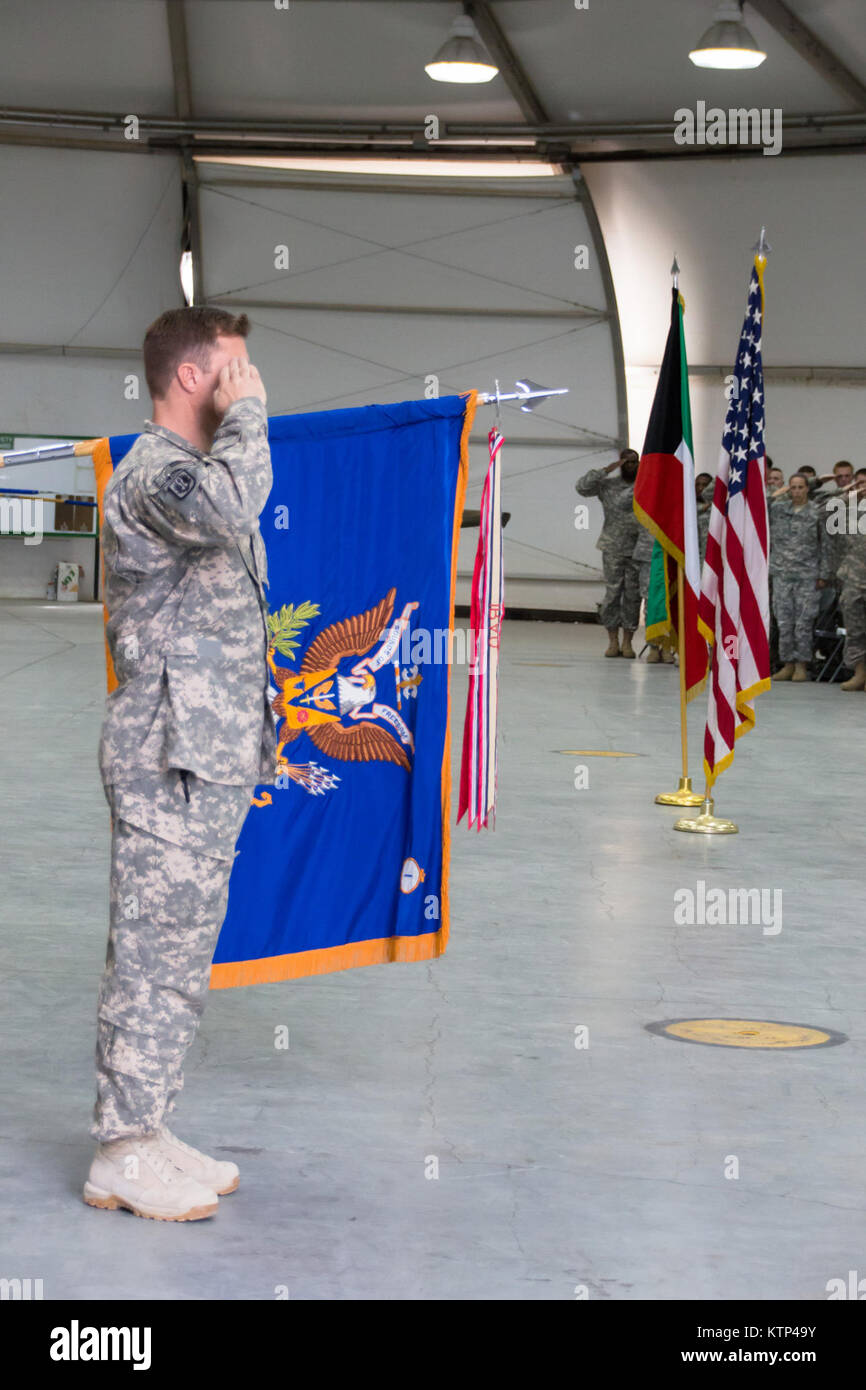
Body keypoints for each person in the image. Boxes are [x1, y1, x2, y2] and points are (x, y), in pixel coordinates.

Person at [84, 307, 276, 1222]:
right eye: (236, 370)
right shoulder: (157, 474)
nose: (250, 384)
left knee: (182, 954)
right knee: (153, 956)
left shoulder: (191, 475)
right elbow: (235, 506)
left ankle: (149, 1126)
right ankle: (120, 1148)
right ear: (194, 378)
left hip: (202, 756)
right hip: (166, 755)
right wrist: (251, 417)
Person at [576, 448, 640, 657]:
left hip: (639, 547)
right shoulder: (609, 485)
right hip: (613, 546)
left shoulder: (645, 485)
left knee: (633, 595)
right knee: (613, 594)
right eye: (627, 462)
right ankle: (613, 641)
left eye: (634, 462)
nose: (631, 466)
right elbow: (582, 487)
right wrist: (607, 469)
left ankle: (628, 642)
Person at [768, 472, 830, 681]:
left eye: (800, 487)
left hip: (807, 575)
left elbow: (825, 545)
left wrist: (823, 574)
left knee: (803, 622)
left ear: (807, 489)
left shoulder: (817, 512)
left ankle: (802, 665)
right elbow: (763, 500)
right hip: (782, 574)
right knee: (784, 621)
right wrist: (782, 491)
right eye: (792, 487)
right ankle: (787, 664)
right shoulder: (778, 509)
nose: (796, 492)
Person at [837, 471, 866, 691]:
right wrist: (847, 497)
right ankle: (859, 673)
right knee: (854, 628)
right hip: (854, 577)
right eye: (860, 483)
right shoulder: (847, 509)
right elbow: (819, 514)